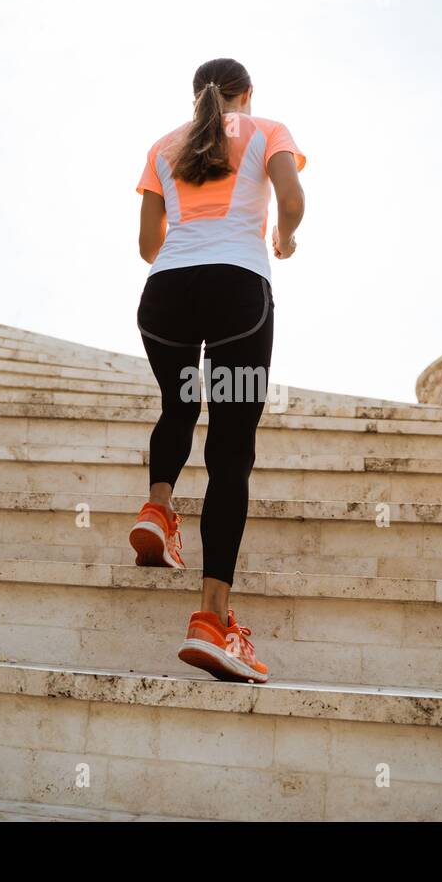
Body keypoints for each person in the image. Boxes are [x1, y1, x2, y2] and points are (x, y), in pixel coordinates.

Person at [130, 57, 306, 684]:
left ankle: (157, 510)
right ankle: (211, 621)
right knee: (231, 449)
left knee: (179, 405)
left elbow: (148, 244)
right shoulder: (267, 131)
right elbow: (292, 199)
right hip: (238, 294)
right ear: (247, 94)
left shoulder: (162, 146)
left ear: (197, 95)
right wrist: (282, 237)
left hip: (166, 296)